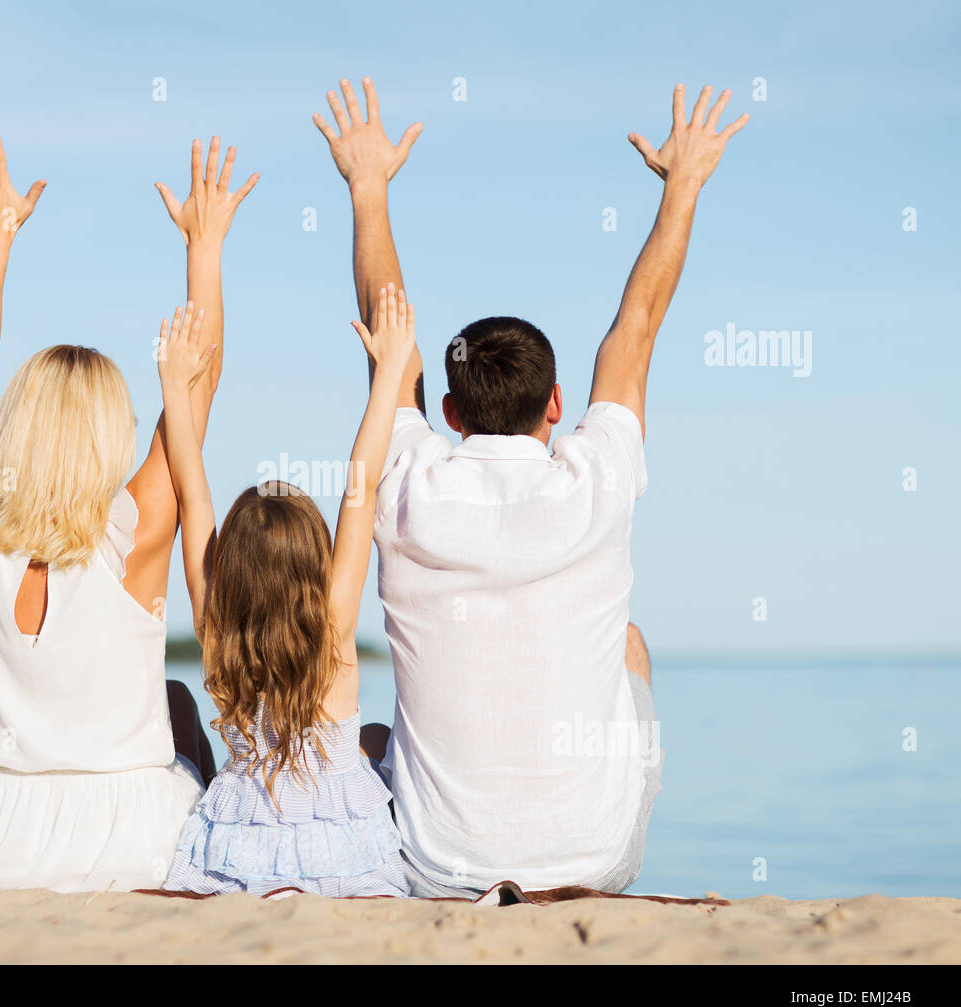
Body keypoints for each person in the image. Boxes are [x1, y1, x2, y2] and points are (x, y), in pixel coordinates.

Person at [315, 78, 748, 897]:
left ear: (447, 409)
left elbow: (388, 337)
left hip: (434, 866)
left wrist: (366, 189)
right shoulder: (598, 479)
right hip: (595, 863)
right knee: (627, 641)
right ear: (558, 404)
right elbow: (638, 325)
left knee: (372, 736)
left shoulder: (408, 481)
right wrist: (683, 185)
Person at [0, 130, 255, 892]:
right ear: (109, 435)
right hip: (135, 837)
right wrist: (204, 247)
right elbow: (198, 386)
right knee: (178, 704)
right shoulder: (130, 536)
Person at [158, 286, 413, 897]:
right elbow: (362, 484)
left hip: (239, 846)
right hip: (345, 858)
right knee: (375, 738)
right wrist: (390, 372)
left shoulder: (215, 626)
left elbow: (193, 501)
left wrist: (174, 385)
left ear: (233, 569)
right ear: (315, 559)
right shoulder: (334, 625)